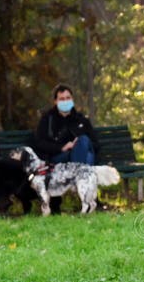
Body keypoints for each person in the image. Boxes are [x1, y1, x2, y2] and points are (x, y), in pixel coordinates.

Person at [34, 84, 101, 213]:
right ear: (55, 101)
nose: (65, 101)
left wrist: (80, 146)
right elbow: (40, 143)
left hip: (79, 158)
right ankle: (88, 197)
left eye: (68, 98)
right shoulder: (47, 119)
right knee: (86, 159)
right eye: (62, 99)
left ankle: (81, 186)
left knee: (84, 141)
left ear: (72, 99)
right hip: (58, 158)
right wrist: (62, 147)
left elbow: (96, 144)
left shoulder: (81, 120)